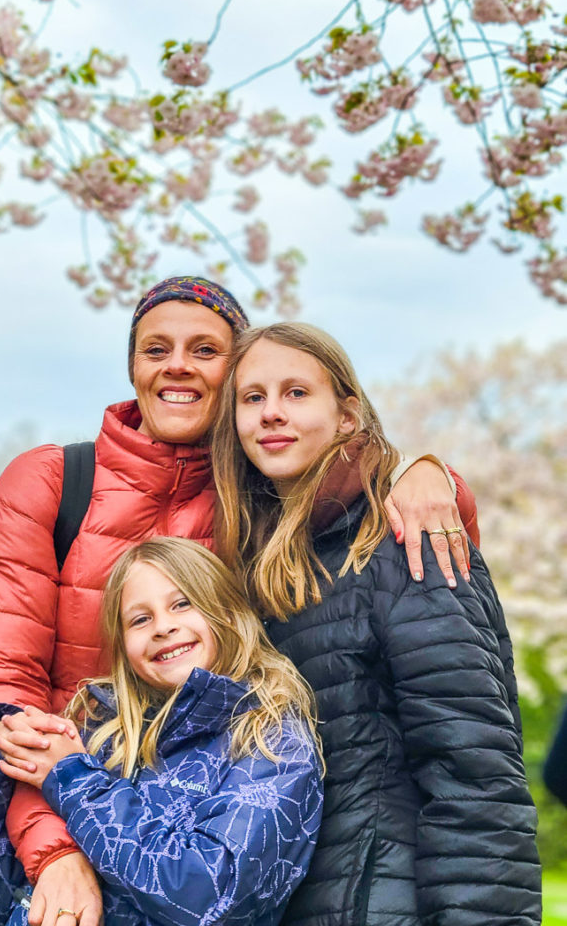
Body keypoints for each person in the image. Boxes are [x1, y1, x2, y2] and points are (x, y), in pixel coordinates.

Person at [0, 276, 478, 926]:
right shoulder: (52, 481)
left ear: (236, 370)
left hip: (177, 870)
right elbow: (4, 692)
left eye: (204, 350)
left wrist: (427, 472)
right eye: (155, 348)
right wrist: (56, 855)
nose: (177, 367)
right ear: (133, 365)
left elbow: (361, 501)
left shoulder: (265, 503)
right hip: (38, 861)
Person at [212, 322, 541, 926]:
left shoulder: (403, 542)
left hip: (392, 900)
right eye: (253, 398)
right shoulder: (265, 566)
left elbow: (472, 766)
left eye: (296, 393)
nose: (271, 414)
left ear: (346, 415)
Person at [0, 538, 324, 926]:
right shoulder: (99, 728)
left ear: (227, 612)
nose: (163, 627)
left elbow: (208, 896)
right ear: (123, 644)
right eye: (140, 619)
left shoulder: (271, 739)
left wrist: (76, 782)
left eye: (182, 603)